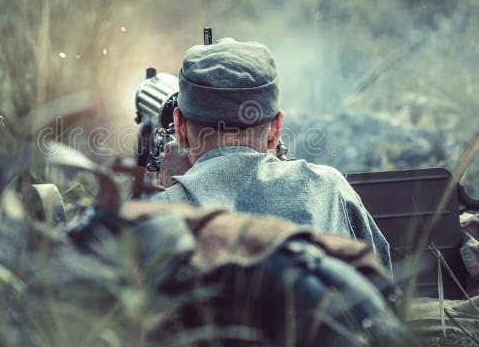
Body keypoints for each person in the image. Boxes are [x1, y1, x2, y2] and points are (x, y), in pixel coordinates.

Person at [152, 37, 392, 271]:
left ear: (179, 128)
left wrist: (172, 191)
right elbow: (380, 279)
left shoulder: (158, 216)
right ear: (276, 129)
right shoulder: (330, 188)